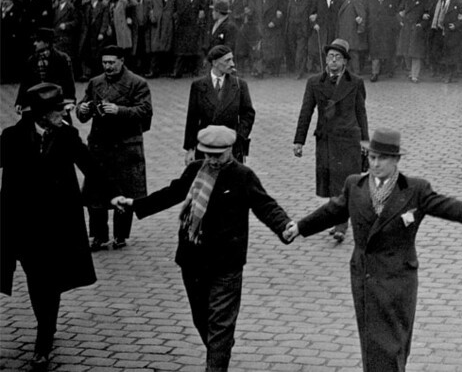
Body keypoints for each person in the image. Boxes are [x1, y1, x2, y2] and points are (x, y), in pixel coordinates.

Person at [294, 128, 462, 372]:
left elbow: (451, 208)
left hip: (398, 281)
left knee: (393, 346)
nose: (375, 164)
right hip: (365, 277)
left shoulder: (415, 190)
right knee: (372, 346)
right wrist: (299, 227)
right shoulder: (355, 186)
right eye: (371, 157)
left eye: (382, 158)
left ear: (396, 160)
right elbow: (331, 212)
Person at [115, 126, 295, 372]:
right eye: (207, 154)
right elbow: (172, 194)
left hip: (227, 264)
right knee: (203, 321)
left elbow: (265, 205)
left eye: (218, 155)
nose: (212, 159)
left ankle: (217, 361)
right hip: (193, 261)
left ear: (230, 151)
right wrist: (136, 204)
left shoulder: (243, 175)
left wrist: (284, 226)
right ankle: (220, 346)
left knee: (219, 326)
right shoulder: (194, 170)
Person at [1, 83, 115, 368]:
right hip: (24, 224)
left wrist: (115, 194)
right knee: (35, 277)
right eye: (57, 110)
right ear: (40, 114)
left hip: (57, 224)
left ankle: (43, 339)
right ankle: (46, 324)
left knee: (49, 280)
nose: (64, 112)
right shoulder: (12, 137)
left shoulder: (67, 135)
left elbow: (90, 166)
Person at [76, 45, 153, 251]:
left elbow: (145, 111)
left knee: (124, 192)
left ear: (121, 61)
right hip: (99, 146)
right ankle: (99, 236)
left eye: (111, 62)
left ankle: (120, 235)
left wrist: (120, 111)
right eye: (104, 63)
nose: (107, 67)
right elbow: (84, 110)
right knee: (96, 194)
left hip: (125, 146)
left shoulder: (137, 83)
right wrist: (81, 109)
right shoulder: (95, 83)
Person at [293, 38, 369, 243]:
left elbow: (361, 113)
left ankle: (341, 225)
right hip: (326, 139)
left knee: (345, 183)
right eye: (330, 57)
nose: (333, 61)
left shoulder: (355, 83)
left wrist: (365, 141)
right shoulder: (315, 82)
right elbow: (306, 112)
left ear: (345, 62)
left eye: (338, 57)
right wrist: (299, 140)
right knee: (332, 183)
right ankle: (337, 220)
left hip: (349, 140)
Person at [184, 45, 255, 163]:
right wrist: (190, 149)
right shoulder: (198, 86)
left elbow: (248, 114)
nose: (232, 64)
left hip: (231, 146)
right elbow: (192, 119)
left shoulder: (239, 85)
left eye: (232, 59)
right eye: (227, 60)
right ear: (215, 63)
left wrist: (237, 137)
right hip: (206, 146)